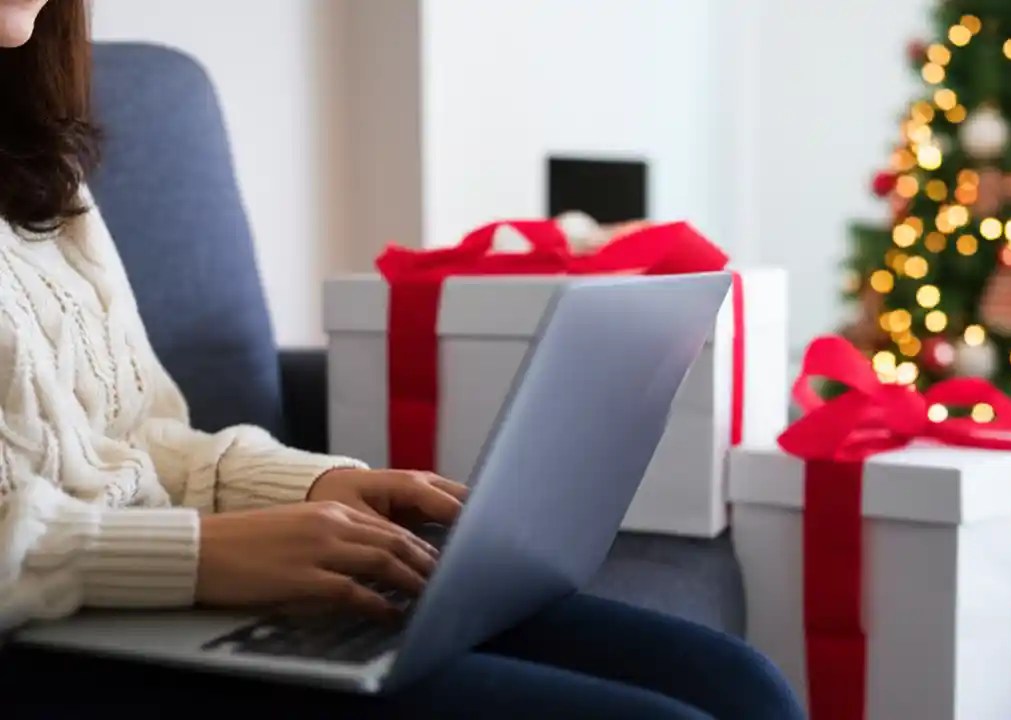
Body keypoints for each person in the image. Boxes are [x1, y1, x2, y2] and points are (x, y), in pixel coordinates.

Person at [0, 2, 804, 717]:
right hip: (43, 644)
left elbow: (138, 436)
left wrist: (308, 486)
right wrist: (202, 556)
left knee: (739, 685)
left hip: (146, 601)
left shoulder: (39, 166)